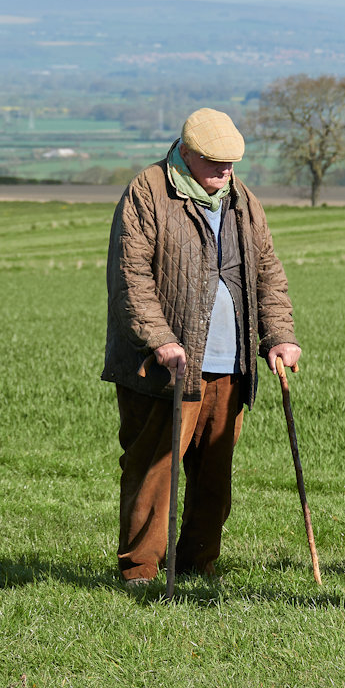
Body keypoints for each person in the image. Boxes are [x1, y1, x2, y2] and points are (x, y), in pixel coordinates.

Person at [102, 107, 300, 589]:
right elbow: (131, 278)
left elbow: (267, 272)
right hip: (164, 366)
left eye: (232, 162)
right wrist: (161, 340)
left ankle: (197, 564)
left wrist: (279, 335)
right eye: (215, 161)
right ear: (187, 153)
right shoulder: (148, 191)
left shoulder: (242, 200)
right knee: (155, 471)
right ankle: (140, 571)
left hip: (230, 363)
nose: (226, 170)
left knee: (215, 475)